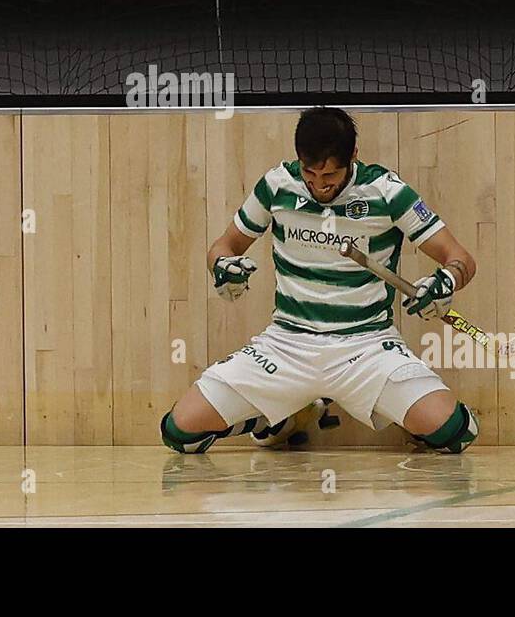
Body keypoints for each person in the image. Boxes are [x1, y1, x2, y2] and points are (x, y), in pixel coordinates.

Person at [161, 106, 480, 454]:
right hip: (286, 346)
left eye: (329, 175)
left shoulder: (388, 192)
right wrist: (223, 266)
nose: (319, 185)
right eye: (309, 173)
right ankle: (279, 419)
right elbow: (223, 246)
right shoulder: (276, 186)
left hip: (366, 347)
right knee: (179, 432)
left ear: (353, 156)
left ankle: (417, 424)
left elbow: (460, 258)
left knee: (453, 431)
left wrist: (445, 281)